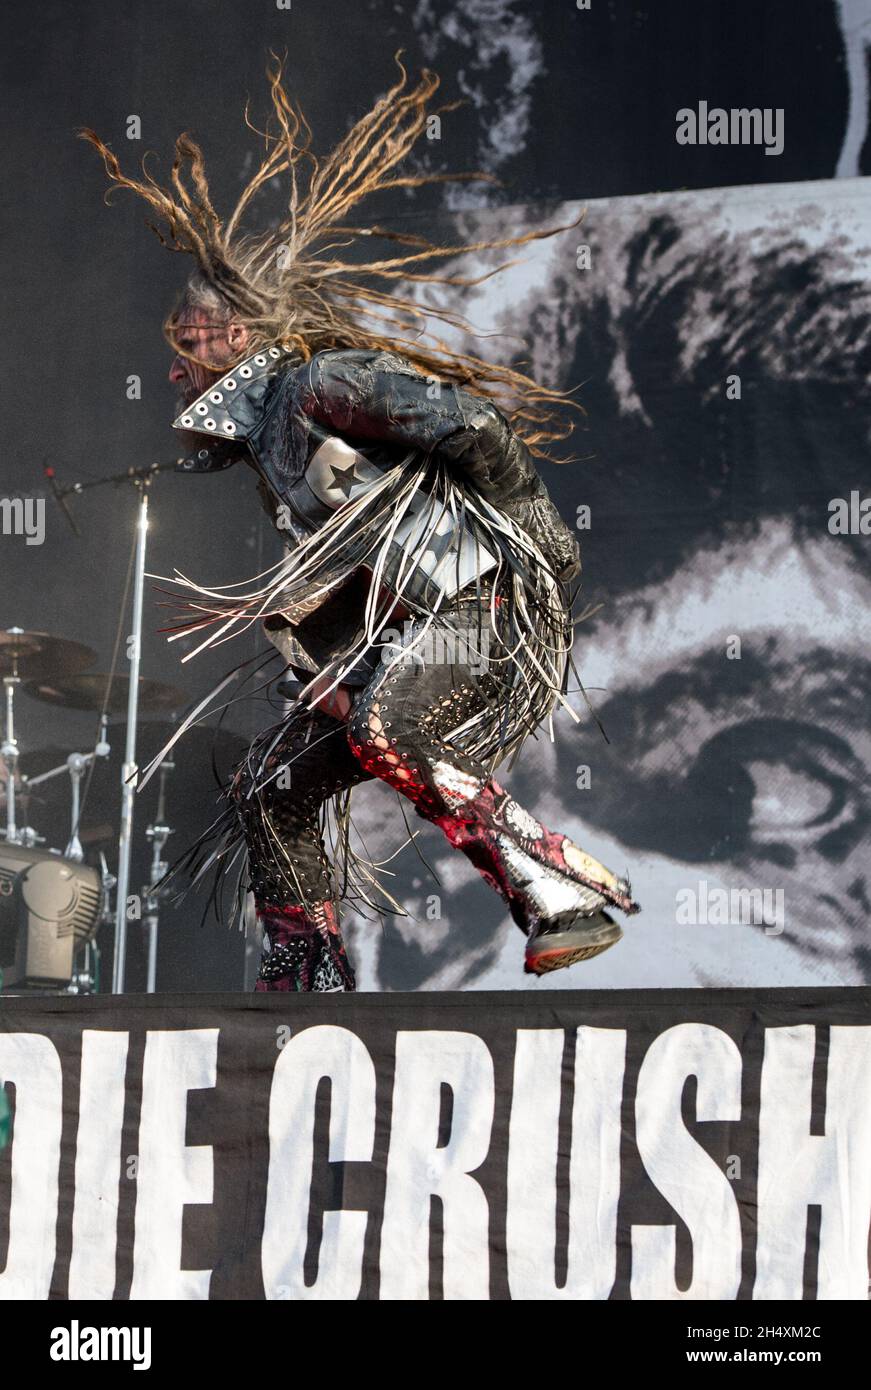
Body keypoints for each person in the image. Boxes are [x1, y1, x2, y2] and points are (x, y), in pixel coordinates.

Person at [83, 57, 639, 992]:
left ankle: (555, 891)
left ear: (240, 338)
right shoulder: (273, 448)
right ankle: (311, 981)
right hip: (411, 630)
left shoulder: (318, 385)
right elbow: (348, 578)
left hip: (483, 601)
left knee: (388, 730)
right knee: (269, 782)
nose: (174, 370)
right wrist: (331, 672)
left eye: (186, 345)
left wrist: (536, 544)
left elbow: (474, 425)